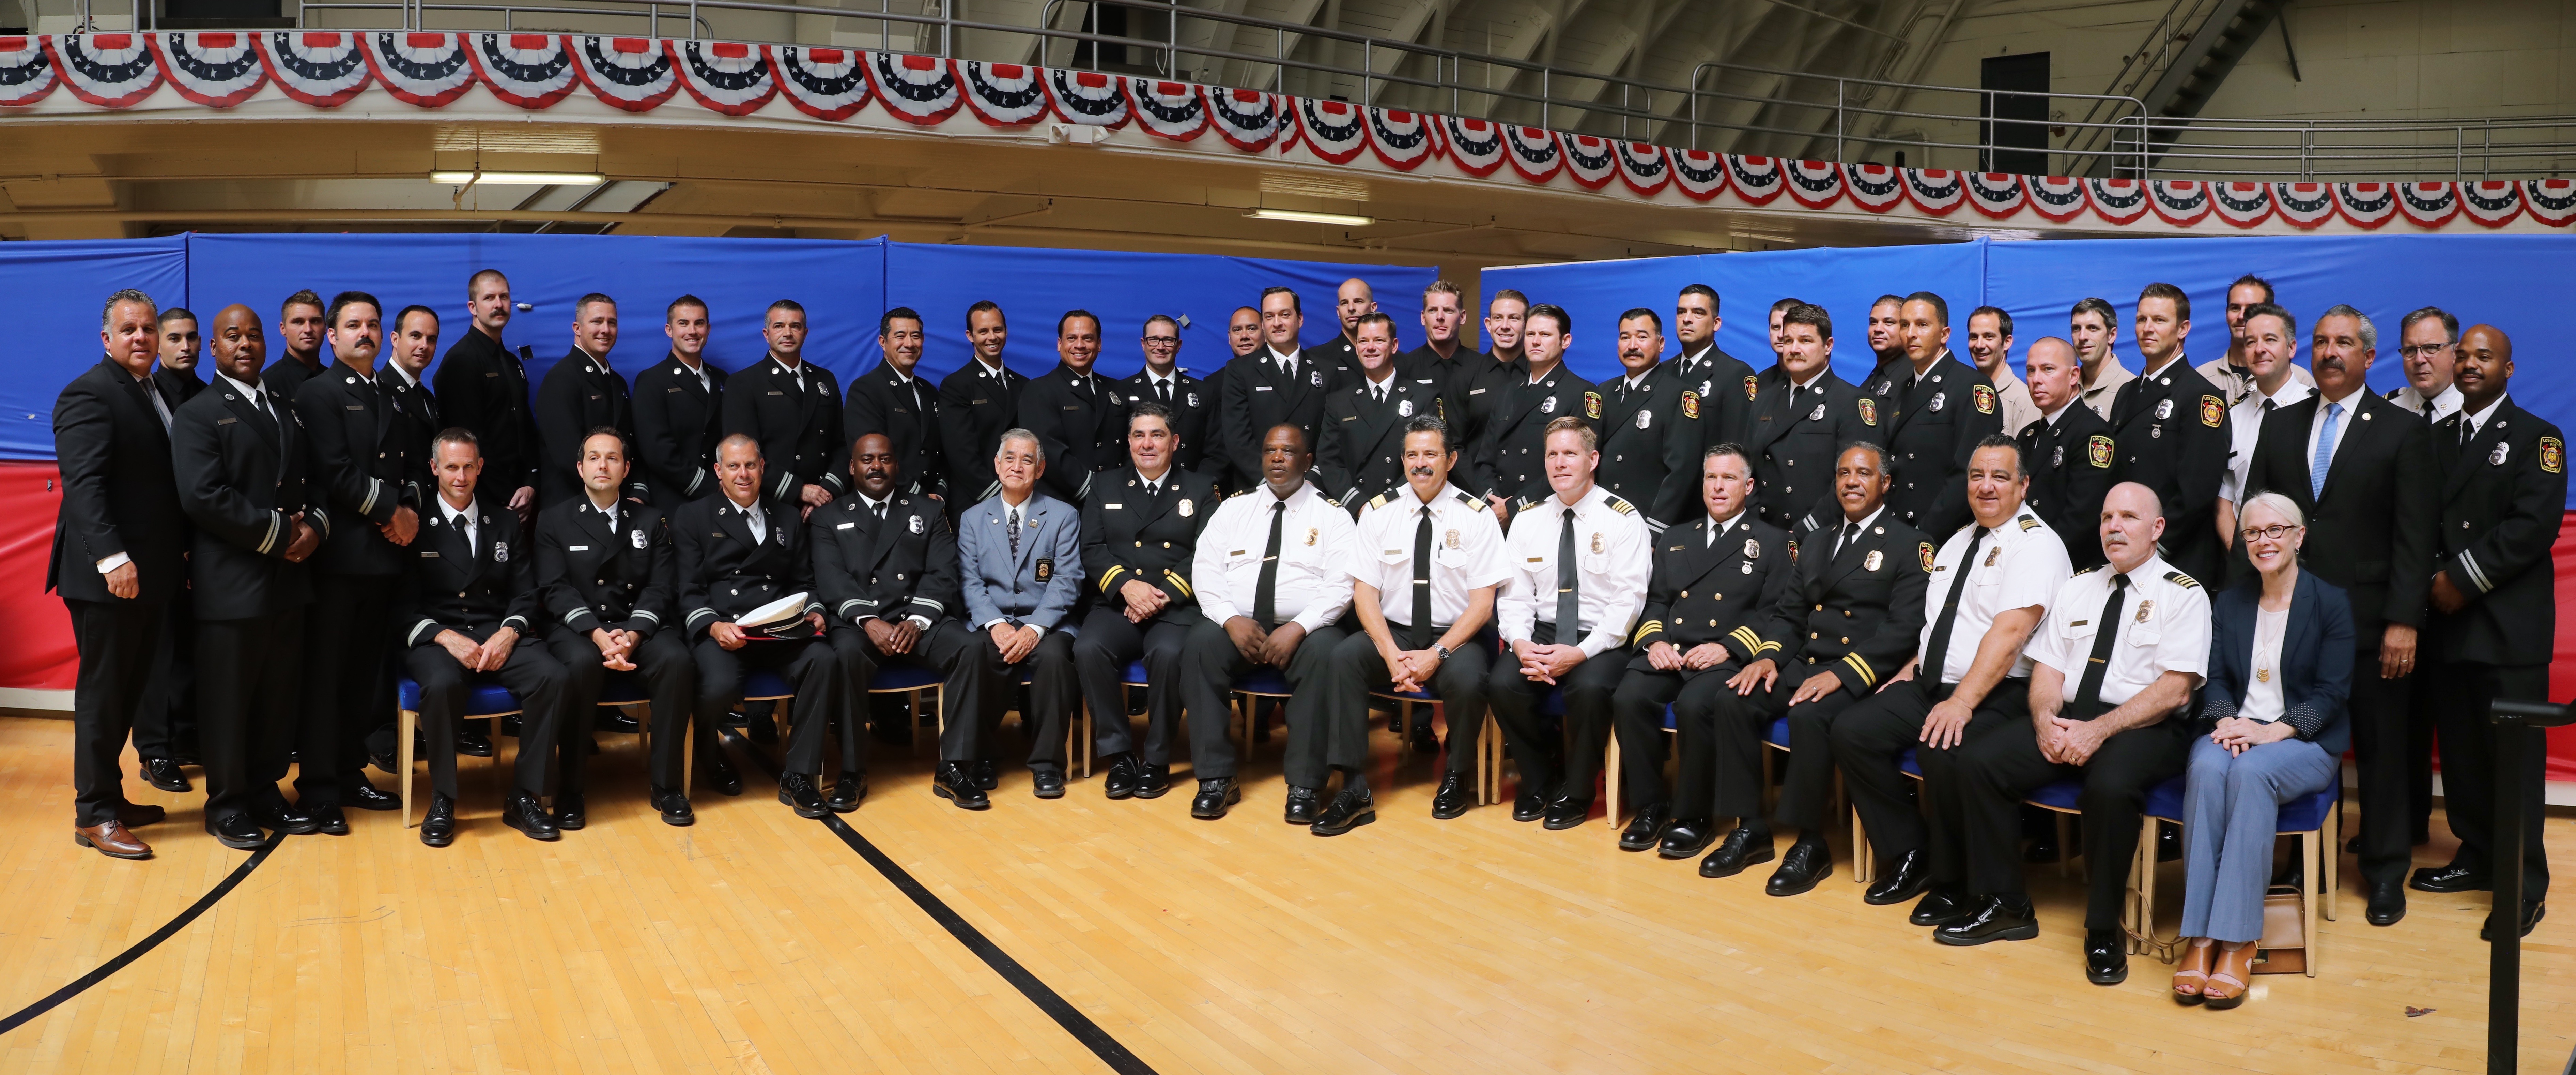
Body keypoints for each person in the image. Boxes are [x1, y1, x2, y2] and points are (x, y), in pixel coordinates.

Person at [1940, 483, 2208, 989]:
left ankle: (2103, 928)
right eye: (2107, 517)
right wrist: (2044, 720)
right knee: (1978, 762)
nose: (2113, 527)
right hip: (2069, 720)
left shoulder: (2183, 594)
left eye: (2128, 517)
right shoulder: (2078, 586)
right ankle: (2006, 903)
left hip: (2143, 727)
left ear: (2157, 528)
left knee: (2109, 787)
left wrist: (2099, 729)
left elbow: (2174, 690)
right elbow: (2047, 669)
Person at [2239, 304, 2435, 927]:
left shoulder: (2402, 430)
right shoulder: (2282, 423)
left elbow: (2415, 537)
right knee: (2299, 739)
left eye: (2344, 342)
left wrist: (2404, 620)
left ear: (2368, 356)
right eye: (2321, 341)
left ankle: (2384, 870)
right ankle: (2301, 863)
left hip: (2374, 623)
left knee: (2381, 751)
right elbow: (2255, 517)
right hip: (2293, 622)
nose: (2329, 352)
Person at [1835, 437, 2071, 908]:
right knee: (1852, 730)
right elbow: (1943, 624)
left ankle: (1958, 880)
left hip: (2001, 691)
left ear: (2023, 486)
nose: (1986, 486)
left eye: (1999, 477)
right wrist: (1912, 668)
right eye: (1977, 476)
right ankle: (1912, 853)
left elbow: (2010, 635)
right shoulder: (1958, 541)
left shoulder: (2036, 545)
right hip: (1933, 681)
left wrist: (1961, 702)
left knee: (1941, 747)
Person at [1707, 443, 1930, 883]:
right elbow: (1789, 614)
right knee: (1733, 698)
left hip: (1862, 673)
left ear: (1885, 483)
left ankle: (1811, 842)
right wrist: (1768, 657)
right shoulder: (1816, 541)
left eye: (1863, 473)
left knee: (1809, 715)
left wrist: (1842, 674)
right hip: (1806, 662)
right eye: (1844, 473)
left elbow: (1904, 629)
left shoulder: (1911, 544)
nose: (1851, 482)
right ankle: (1750, 828)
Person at [2171, 492, 2351, 1009]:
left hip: (2302, 743)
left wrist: (2275, 731)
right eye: (2252, 532)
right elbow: (2215, 678)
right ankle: (2199, 935)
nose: (2263, 540)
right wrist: (2227, 720)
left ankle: (2236, 939)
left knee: (2251, 773)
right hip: (2235, 731)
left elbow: (2333, 693)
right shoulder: (2229, 601)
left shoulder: (2331, 602)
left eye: (2276, 530)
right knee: (2206, 768)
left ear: (2299, 536)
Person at [2413, 324, 2563, 941]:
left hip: (2505, 626)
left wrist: (2458, 579)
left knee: (2514, 765)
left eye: (2485, 356)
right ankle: (2476, 853)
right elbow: (2418, 520)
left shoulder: (2537, 437)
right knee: (2463, 756)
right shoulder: (2435, 435)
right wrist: (2430, 579)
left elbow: (2531, 527)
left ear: (2508, 368)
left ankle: (2523, 884)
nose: (2471, 364)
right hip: (2449, 625)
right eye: (2465, 355)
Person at [171, 304, 322, 850]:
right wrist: (281, 533)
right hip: (232, 586)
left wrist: (315, 530)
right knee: (228, 704)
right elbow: (203, 497)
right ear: (214, 348)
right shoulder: (198, 413)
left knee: (276, 700)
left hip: (288, 582)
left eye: (253, 335)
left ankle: (264, 791)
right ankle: (227, 805)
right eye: (232, 336)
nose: (244, 344)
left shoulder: (285, 408)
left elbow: (313, 483)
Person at [1310, 416, 1508, 833]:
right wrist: (1389, 653)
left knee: (1469, 679)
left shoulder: (1476, 517)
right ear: (1402, 460)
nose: (1420, 463)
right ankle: (1354, 787)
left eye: (1431, 454)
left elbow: (1482, 605)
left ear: (1451, 459)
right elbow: (1364, 593)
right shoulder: (1378, 513)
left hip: (1455, 636)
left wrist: (1436, 654)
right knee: (1343, 658)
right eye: (1412, 454)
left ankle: (1457, 774)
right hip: (1394, 632)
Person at [52, 289, 187, 859]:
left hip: (150, 572)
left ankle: (112, 796)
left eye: (148, 328)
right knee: (104, 696)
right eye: (129, 329)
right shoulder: (90, 392)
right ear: (106, 338)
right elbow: (84, 485)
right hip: (108, 575)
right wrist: (112, 559)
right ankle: (95, 814)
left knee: (129, 692)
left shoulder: (151, 390)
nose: (141, 337)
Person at [1610, 444, 1795, 857]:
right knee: (1628, 697)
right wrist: (1655, 641)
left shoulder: (1773, 542)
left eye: (1728, 478)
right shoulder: (1676, 537)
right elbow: (1656, 601)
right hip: (1672, 651)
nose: (1718, 487)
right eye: (1711, 477)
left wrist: (1728, 647)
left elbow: (1775, 612)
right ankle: (1652, 805)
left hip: (1723, 657)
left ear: (1748, 486)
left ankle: (1694, 816)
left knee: (1696, 706)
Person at [398, 429, 572, 846]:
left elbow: (526, 593)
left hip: (496, 631)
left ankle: (525, 797)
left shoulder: (505, 521)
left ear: (480, 468)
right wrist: (445, 637)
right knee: (442, 684)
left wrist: (509, 634)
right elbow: (400, 605)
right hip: (439, 637)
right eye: (451, 467)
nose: (460, 477)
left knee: (553, 676)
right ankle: (443, 799)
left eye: (468, 467)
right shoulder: (415, 524)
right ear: (434, 468)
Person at [1178, 424, 1358, 820]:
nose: (1277, 458)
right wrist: (1230, 619)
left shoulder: (1333, 516)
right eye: (1270, 450)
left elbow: (1342, 585)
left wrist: (1299, 627)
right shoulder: (1233, 509)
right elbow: (1205, 570)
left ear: (1307, 461)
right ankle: (1216, 779)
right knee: (1200, 645)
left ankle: (1306, 784)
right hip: (1239, 625)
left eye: (1288, 451)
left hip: (1306, 630)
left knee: (1327, 653)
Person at [292, 291, 420, 823]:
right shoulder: (317, 393)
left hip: (384, 558)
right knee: (326, 680)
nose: (364, 333)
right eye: (352, 325)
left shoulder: (390, 392)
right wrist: (394, 511)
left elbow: (414, 463)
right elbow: (336, 472)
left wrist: (410, 507)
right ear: (332, 335)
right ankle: (319, 787)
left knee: (362, 679)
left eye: (372, 325)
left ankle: (349, 773)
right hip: (340, 559)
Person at [1488, 417, 1652, 828]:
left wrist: (1580, 652)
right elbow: (1515, 597)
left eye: (1570, 454)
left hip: (1601, 637)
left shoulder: (1623, 519)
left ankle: (1578, 792)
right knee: (1503, 683)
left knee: (1590, 689)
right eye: (1552, 455)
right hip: (1543, 631)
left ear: (1592, 460)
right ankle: (1540, 780)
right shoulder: (1528, 519)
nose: (1559, 463)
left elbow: (1628, 603)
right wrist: (1521, 644)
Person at [535, 427, 698, 827]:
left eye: (612, 458)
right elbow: (555, 590)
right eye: (594, 457)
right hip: (580, 628)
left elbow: (661, 587)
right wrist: (597, 634)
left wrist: (634, 634)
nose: (603, 465)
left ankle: (667, 786)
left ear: (626, 469)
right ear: (580, 468)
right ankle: (571, 789)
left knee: (676, 661)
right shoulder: (554, 519)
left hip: (635, 624)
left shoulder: (650, 519)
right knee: (579, 665)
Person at [675, 434, 841, 816]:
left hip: (778, 631)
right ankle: (708, 749)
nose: (744, 474)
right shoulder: (693, 516)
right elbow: (688, 590)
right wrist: (714, 627)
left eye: (751, 465)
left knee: (823, 660)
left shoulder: (786, 516)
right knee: (716, 686)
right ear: (718, 471)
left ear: (763, 468)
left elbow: (803, 581)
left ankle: (798, 775)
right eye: (734, 466)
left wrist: (815, 611)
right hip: (724, 629)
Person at [812, 432, 975, 814]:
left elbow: (942, 573)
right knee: (844, 656)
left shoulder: (927, 510)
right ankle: (852, 771)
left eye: (885, 459)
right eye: (867, 460)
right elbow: (831, 578)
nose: (876, 467)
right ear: (852, 467)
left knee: (969, 648)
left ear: (897, 466)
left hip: (915, 619)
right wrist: (869, 620)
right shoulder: (828, 517)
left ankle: (954, 766)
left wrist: (917, 621)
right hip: (860, 624)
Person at [1070, 403, 1219, 800]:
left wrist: (1162, 594)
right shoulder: (1104, 485)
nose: (1147, 444)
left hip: (1175, 605)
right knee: (1088, 648)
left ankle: (1157, 758)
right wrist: (1126, 586)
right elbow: (1092, 548)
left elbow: (1207, 552)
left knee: (1170, 655)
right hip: (1119, 602)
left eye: (1157, 435)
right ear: (1129, 441)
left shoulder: (1201, 488)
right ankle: (1119, 755)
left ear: (1175, 441)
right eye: (1139, 435)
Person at [946, 429, 1085, 805]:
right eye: (1009, 458)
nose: (1017, 466)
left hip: (1047, 621)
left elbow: (1067, 580)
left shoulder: (1063, 516)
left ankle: (1048, 765)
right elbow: (969, 581)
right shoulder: (973, 518)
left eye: (1027, 460)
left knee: (1055, 660)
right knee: (976, 655)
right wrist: (996, 624)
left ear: (1040, 469)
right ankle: (982, 755)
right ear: (997, 465)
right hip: (992, 620)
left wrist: (1035, 628)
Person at [2105, 283, 2231, 586]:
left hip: (2173, 557)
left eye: (2159, 320)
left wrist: (2151, 547)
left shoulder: (2201, 396)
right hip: (2126, 551)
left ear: (2182, 329)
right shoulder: (2126, 393)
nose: (2147, 329)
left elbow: (2196, 492)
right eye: (2141, 320)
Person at [1863, 291, 2004, 538]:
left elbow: (1968, 474)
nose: (1911, 334)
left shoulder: (1971, 387)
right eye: (1904, 325)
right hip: (1896, 527)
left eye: (1922, 325)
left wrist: (1924, 535)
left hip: (1940, 534)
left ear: (1944, 334)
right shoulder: (1902, 387)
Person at [139, 306, 207, 793]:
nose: (185, 346)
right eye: (176, 338)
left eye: (192, 337)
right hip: (159, 544)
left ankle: (186, 736)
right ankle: (154, 749)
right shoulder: (145, 395)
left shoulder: (210, 396)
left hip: (205, 544)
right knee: (157, 650)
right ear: (159, 344)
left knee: (193, 646)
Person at [1745, 303, 1875, 531]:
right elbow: (1747, 470)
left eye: (1805, 341)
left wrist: (1805, 531)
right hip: (1764, 533)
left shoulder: (1851, 402)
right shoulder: (1764, 399)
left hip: (1821, 534)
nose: (1794, 349)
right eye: (1788, 341)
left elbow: (1854, 482)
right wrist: (1756, 526)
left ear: (1828, 346)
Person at [1469, 303, 1595, 523]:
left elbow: (1575, 467)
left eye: (1545, 335)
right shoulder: (1508, 392)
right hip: (1496, 513)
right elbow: (1485, 460)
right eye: (1530, 334)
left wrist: (1513, 507)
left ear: (1565, 341)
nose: (1536, 341)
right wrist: (1493, 503)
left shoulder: (1580, 393)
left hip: (1546, 512)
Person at [723, 299, 848, 514]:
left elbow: (842, 445)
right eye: (779, 326)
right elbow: (743, 455)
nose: (788, 333)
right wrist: (799, 491)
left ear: (805, 333)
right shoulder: (743, 384)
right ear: (767, 334)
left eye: (795, 326)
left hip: (824, 504)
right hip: (773, 504)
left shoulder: (825, 379)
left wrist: (826, 492)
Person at [435, 270, 541, 525]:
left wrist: (531, 484)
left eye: (504, 297)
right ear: (473, 307)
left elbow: (527, 429)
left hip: (522, 494)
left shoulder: (512, 363)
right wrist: (508, 497)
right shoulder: (462, 361)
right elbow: (468, 440)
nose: (499, 304)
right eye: (489, 298)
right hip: (483, 497)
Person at [1592, 308, 1706, 531]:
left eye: (1642, 337)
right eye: (1625, 338)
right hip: (1601, 519)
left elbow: (1682, 472)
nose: (1632, 346)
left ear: (1661, 344)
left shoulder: (1678, 395)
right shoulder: (1603, 392)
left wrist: (1654, 531)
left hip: (1645, 523)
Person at [533, 293, 647, 507]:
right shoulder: (561, 379)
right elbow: (569, 457)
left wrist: (637, 493)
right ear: (577, 328)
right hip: (574, 507)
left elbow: (629, 445)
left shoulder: (617, 382)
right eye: (597, 322)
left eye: (612, 323)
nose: (606, 330)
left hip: (615, 502)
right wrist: (611, 498)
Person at [2212, 303, 2311, 543]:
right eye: (2250, 342)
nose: (2259, 350)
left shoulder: (2316, 409)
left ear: (2291, 348)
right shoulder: (2232, 417)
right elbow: (2224, 498)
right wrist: (2239, 552)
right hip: (2245, 551)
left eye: (2270, 340)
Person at [1220, 287, 1334, 491]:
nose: (1277, 323)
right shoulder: (1240, 370)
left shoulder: (1326, 370)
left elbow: (1332, 437)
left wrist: (1312, 480)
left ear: (1300, 319)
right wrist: (1272, 482)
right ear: (1263, 324)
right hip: (1260, 488)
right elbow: (1237, 439)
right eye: (1269, 316)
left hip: (1313, 487)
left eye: (1285, 315)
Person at [2016, 337, 2116, 569]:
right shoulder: (2027, 435)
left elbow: (2083, 517)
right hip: (2022, 555)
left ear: (2073, 376)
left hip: (2065, 565)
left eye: (2048, 369)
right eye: (2031, 371)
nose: (2036, 380)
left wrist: (2035, 558)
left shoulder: (2093, 434)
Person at [1317, 311, 1431, 512]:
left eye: (1379, 340)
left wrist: (1387, 505)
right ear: (1356, 348)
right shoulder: (1338, 402)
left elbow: (1428, 459)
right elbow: (1329, 461)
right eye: (1363, 341)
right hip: (1355, 512)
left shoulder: (1423, 398)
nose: (1370, 347)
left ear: (1394, 346)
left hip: (1405, 509)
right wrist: (1359, 506)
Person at [1015, 309, 1129, 505]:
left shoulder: (1116, 389)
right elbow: (1049, 452)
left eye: (1088, 338)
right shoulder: (1039, 390)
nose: (1080, 345)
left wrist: (1125, 490)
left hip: (1117, 499)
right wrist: (1096, 492)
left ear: (1099, 345)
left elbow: (1130, 445)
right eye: (1072, 338)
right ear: (1059, 344)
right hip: (1064, 505)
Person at [936, 300, 1030, 518]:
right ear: (970, 336)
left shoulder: (1024, 385)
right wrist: (1000, 497)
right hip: (976, 499)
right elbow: (961, 454)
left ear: (1006, 331)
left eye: (998, 330)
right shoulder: (956, 385)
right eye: (983, 331)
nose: (992, 337)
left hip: (1022, 498)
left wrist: (1020, 496)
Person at [633, 295, 727, 511]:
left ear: (708, 330)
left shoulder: (723, 379)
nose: (692, 331)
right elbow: (658, 453)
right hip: (675, 501)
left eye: (699, 324)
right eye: (683, 324)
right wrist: (711, 486)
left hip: (724, 499)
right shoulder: (651, 381)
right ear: (669, 330)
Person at [844, 307, 945, 501]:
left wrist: (941, 492)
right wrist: (920, 496)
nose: (909, 344)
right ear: (883, 342)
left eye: (915, 336)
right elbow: (872, 458)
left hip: (933, 503)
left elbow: (941, 451)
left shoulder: (929, 392)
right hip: (891, 501)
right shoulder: (866, 389)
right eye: (900, 336)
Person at [1118, 315, 1218, 480]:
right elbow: (1118, 450)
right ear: (1143, 344)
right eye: (1153, 340)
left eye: (1168, 340)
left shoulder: (1204, 392)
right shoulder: (1122, 391)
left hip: (1193, 486)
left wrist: (1197, 487)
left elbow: (1217, 452)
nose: (1161, 347)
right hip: (1138, 488)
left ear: (1178, 346)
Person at [1449, 290, 1531, 484]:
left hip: (1529, 492)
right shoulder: (1465, 377)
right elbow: (1453, 443)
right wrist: (1482, 491)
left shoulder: (1539, 376)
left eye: (1514, 318)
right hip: (1475, 490)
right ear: (1488, 324)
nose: (1505, 326)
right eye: (1498, 318)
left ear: (1527, 324)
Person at [1667, 283, 1758, 450]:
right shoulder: (1662, 371)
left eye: (1698, 313)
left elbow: (1735, 448)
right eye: (1681, 312)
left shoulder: (1736, 373)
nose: (1687, 319)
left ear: (1716, 323)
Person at [2199, 274, 2315, 402]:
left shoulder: (2301, 379)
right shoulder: (2202, 377)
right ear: (2227, 314)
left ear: (2269, 312)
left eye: (2251, 309)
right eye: (2235, 308)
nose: (2241, 316)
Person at [1397, 280, 1472, 420]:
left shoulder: (1480, 367)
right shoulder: (1404, 369)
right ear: (1423, 318)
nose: (1440, 317)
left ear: (1462, 317)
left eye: (1448, 310)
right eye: (1433, 310)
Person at [1965, 305, 2042, 436]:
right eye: (1974, 337)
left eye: (1989, 337)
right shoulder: (1963, 393)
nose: (1979, 345)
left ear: (2007, 342)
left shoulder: (2024, 402)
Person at [2386, 305, 2464, 423]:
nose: (2419, 360)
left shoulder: (2475, 407)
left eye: (2430, 348)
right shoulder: (2389, 409)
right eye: (2410, 351)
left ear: (2456, 353)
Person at [2070, 297, 2133, 421]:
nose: (2082, 337)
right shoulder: (2065, 388)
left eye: (2093, 328)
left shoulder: (2132, 390)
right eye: (2076, 329)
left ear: (2112, 335)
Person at [262, 289, 328, 395]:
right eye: (298, 322)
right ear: (283, 329)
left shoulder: (337, 382)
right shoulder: (266, 386)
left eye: (315, 321)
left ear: (325, 327)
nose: (308, 330)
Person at [1310, 277, 1376, 376]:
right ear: (1338, 312)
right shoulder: (1316, 358)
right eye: (1344, 303)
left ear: (1373, 308)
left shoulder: (1394, 360)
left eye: (1358, 301)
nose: (1351, 308)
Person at [1864, 294, 1905, 369]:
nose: (1878, 329)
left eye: (1889, 323)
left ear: (1906, 327)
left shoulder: (1916, 374)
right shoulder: (1875, 375)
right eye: (1874, 322)